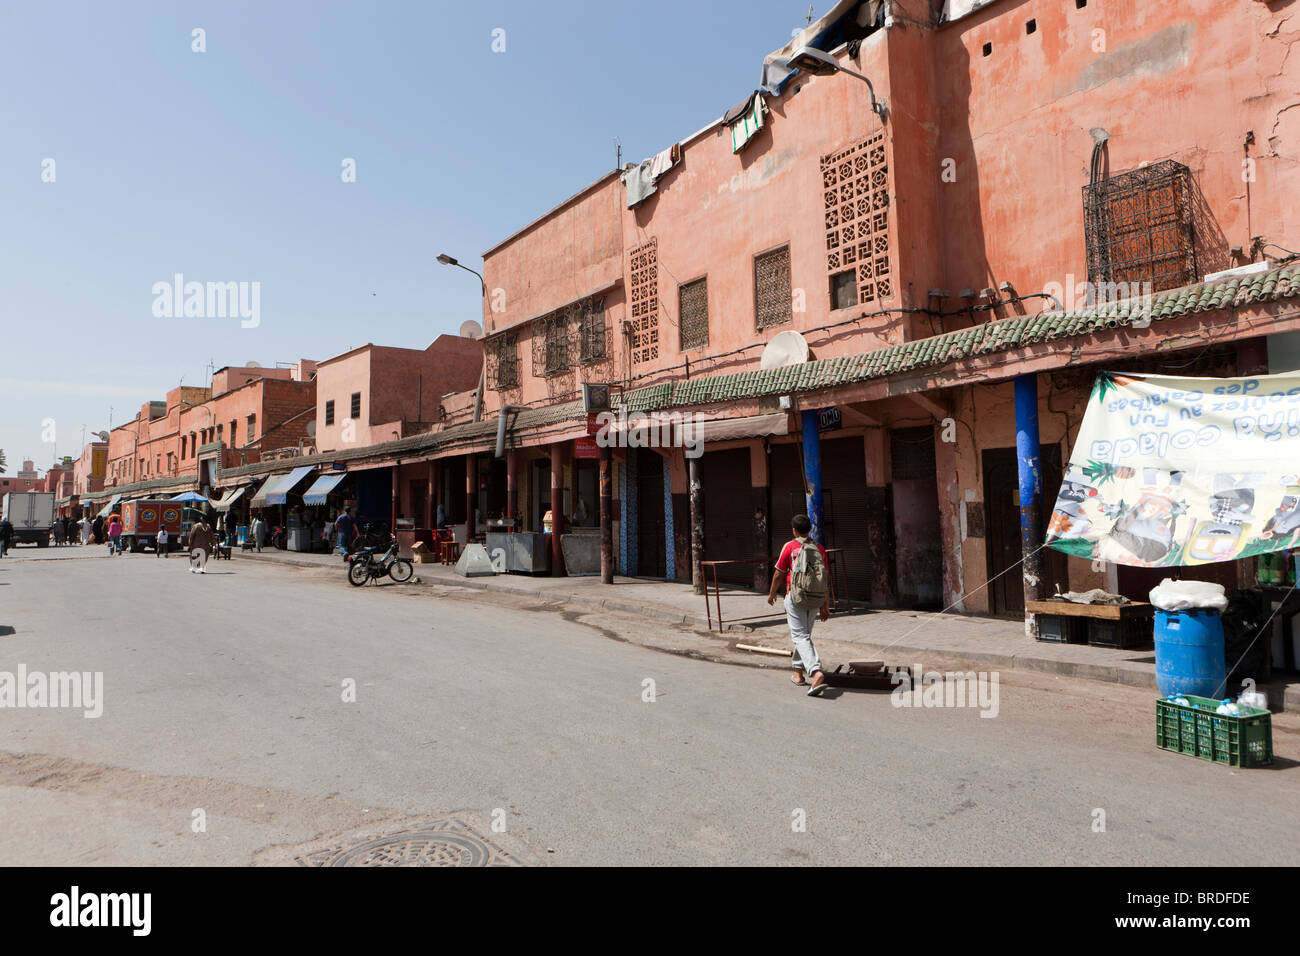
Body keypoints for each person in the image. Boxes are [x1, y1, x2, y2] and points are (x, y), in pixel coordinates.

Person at [767, 513, 831, 698]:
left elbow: (778, 574)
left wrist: (772, 594)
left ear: (794, 530)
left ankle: (815, 671)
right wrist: (825, 604)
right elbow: (824, 578)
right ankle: (797, 673)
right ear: (810, 529)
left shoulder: (790, 546)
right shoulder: (819, 548)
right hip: (816, 597)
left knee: (800, 636)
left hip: (795, 597)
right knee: (804, 636)